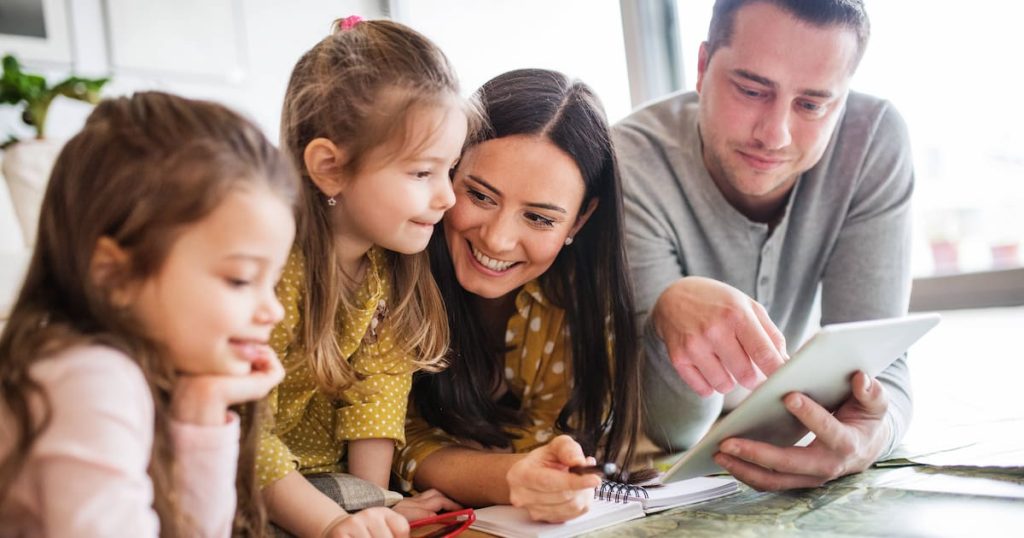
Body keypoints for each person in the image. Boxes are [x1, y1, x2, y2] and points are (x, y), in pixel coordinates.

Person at [613, 0, 914, 491]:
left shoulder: (873, 139)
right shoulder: (627, 163)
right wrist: (668, 311)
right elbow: (666, 427)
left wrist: (872, 434)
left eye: (813, 105)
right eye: (752, 90)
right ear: (703, 66)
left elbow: (881, 364)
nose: (774, 135)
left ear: (842, 100)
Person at [0, 91, 295, 536]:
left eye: (271, 282)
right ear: (115, 275)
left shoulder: (138, 369)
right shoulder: (90, 379)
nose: (272, 310)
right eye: (239, 280)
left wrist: (204, 406)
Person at [259, 16, 477, 537]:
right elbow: (240, 434)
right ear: (330, 168)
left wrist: (376, 506)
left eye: (449, 170)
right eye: (422, 173)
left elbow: (377, 399)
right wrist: (334, 525)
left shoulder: (390, 268)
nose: (446, 197)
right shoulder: (271, 270)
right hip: (237, 470)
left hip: (320, 483)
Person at [396, 68, 643, 523]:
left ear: (580, 221)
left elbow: (552, 444)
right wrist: (514, 476)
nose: (498, 240)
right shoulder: (394, 274)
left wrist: (543, 477)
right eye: (480, 196)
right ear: (449, 167)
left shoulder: (583, 301)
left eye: (540, 218)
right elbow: (395, 442)